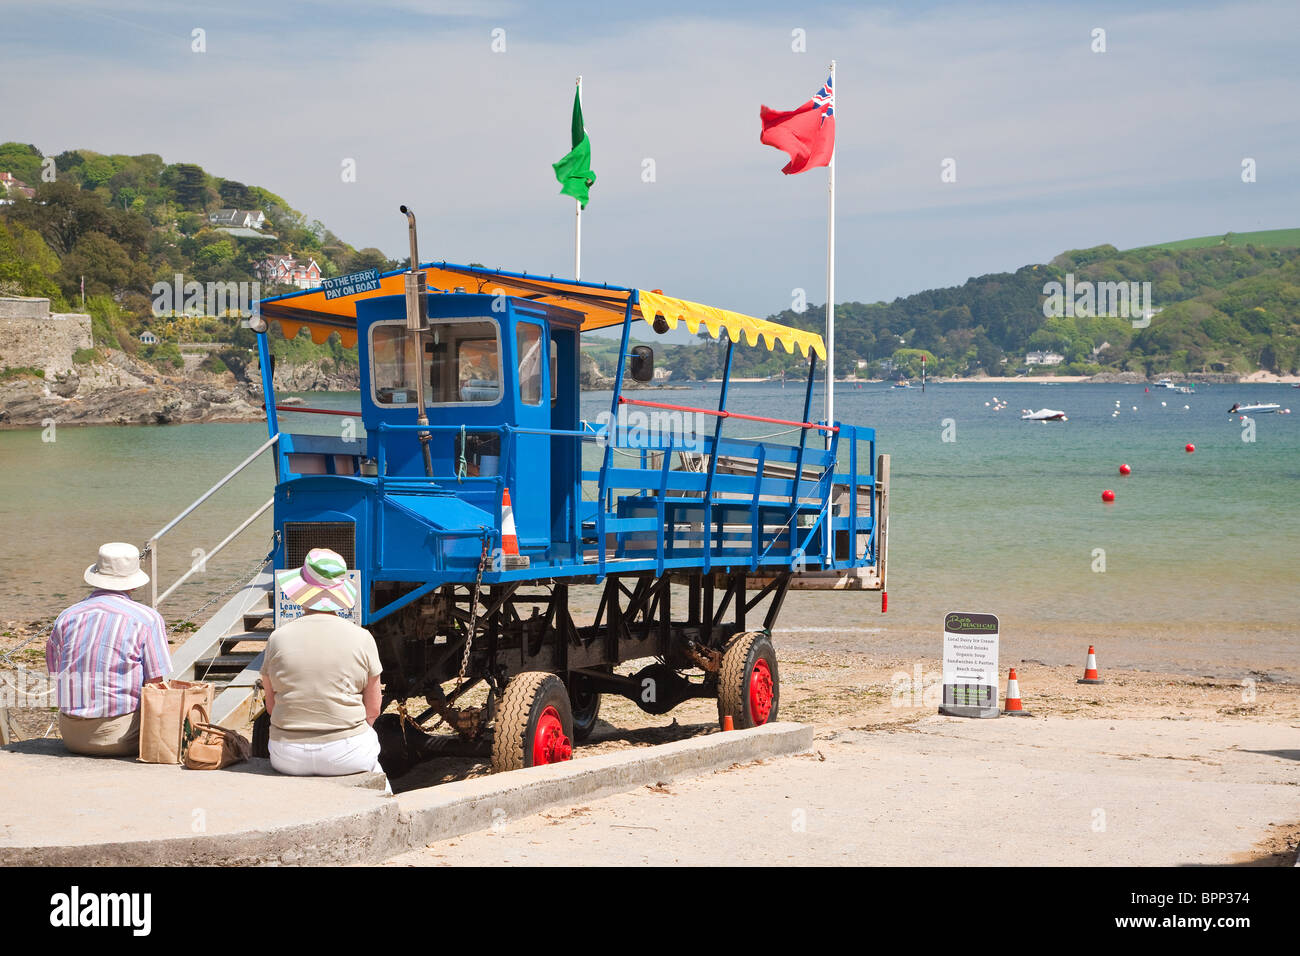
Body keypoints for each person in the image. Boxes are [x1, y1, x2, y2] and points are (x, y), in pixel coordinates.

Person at [262, 548, 384, 779]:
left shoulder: (277, 637)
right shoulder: (362, 637)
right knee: (376, 771)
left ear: (300, 592)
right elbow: (374, 708)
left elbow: (271, 706)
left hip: (287, 754)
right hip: (346, 753)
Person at [45, 542, 172, 756]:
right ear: (133, 583)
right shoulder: (146, 619)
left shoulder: (67, 616)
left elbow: (55, 671)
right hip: (121, 737)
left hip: (71, 735)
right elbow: (155, 684)